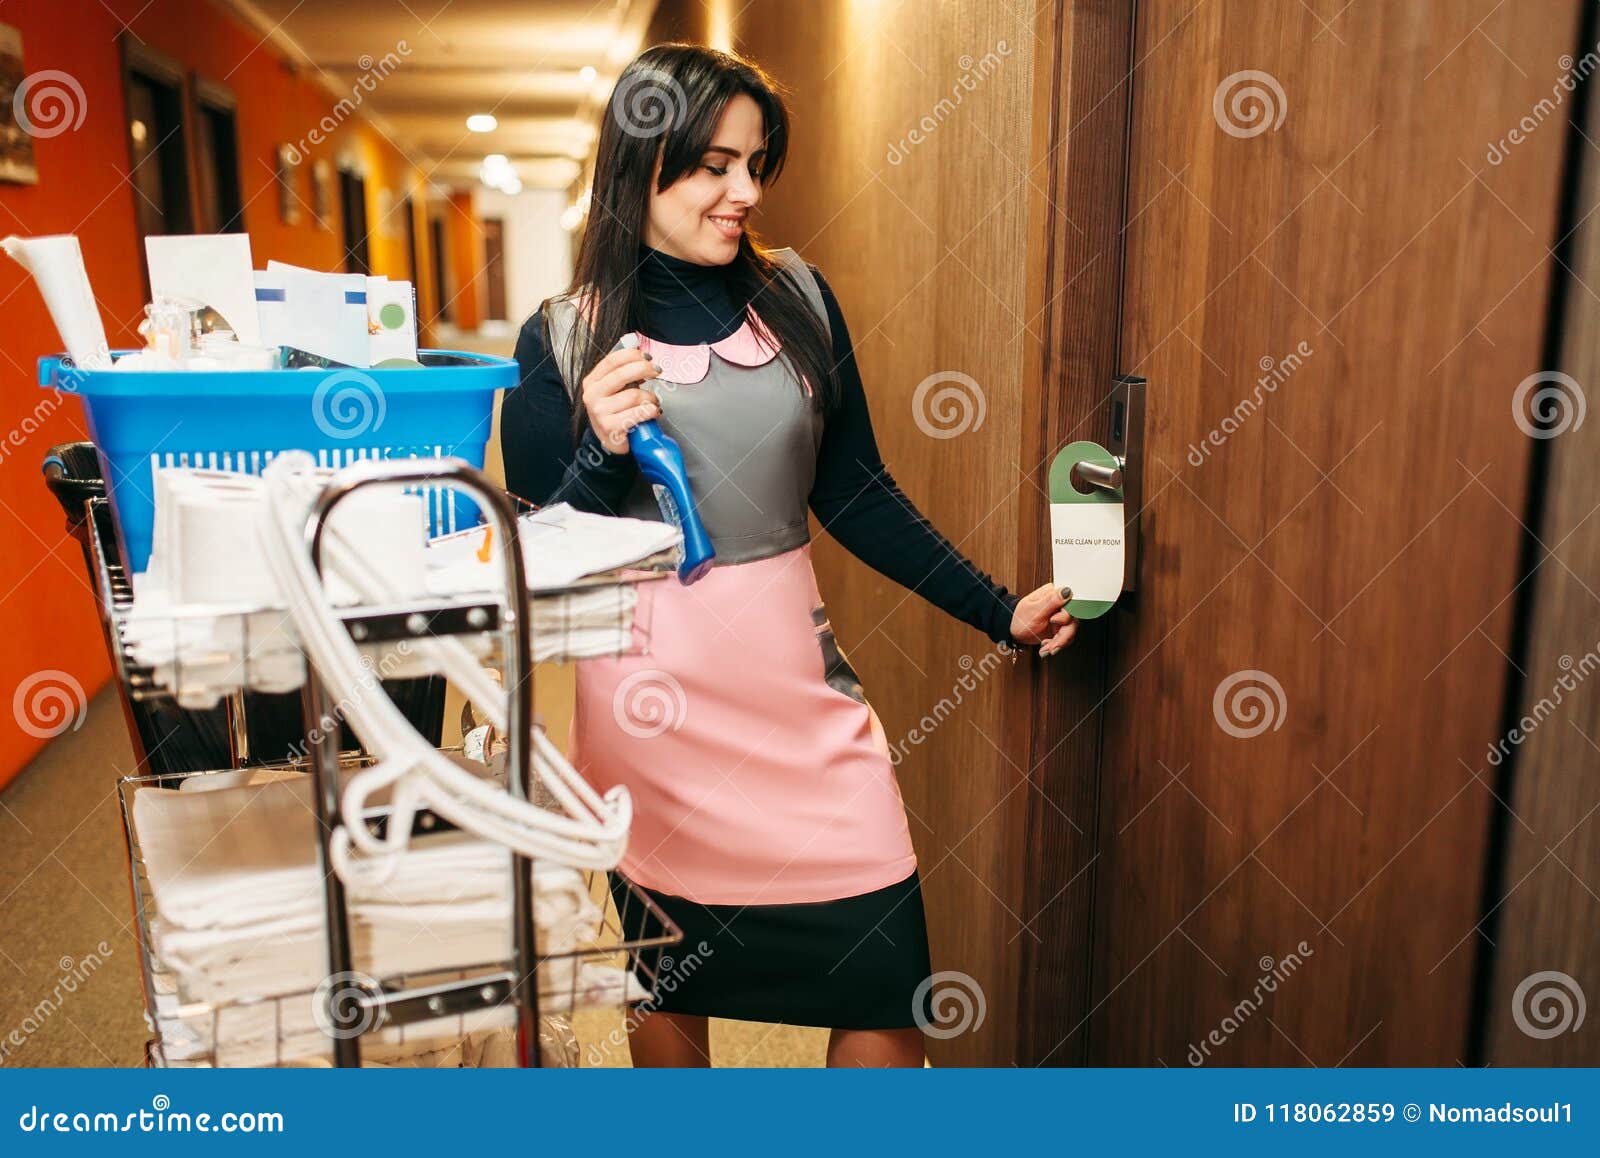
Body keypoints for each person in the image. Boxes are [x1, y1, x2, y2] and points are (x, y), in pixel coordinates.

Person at [500, 43, 1075, 1068]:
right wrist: (599, 449)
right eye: (713, 165)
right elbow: (542, 560)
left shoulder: (798, 299)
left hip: (799, 699)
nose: (744, 192)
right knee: (673, 975)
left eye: (756, 164)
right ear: (641, 162)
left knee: (884, 976)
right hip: (651, 708)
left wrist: (1000, 609)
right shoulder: (560, 338)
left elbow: (855, 491)